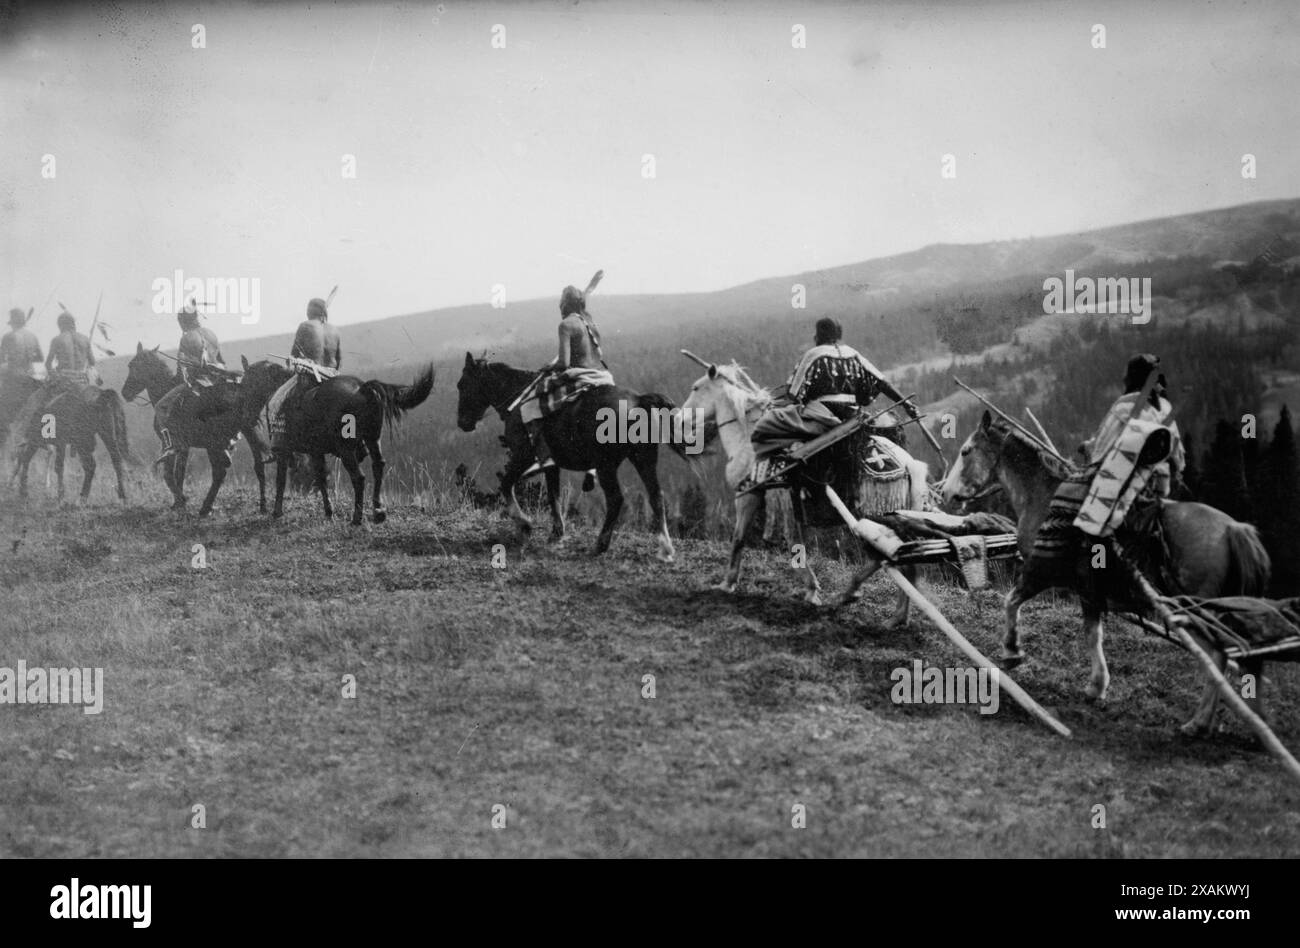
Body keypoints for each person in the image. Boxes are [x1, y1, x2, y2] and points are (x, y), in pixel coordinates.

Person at [750, 316, 919, 459]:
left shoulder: (813, 355)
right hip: (852, 417)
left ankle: (776, 464)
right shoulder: (854, 354)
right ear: (838, 334)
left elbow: (793, 394)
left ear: (819, 335)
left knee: (765, 424)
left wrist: (771, 403)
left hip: (821, 418)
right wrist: (906, 404)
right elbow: (882, 382)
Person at [518, 284, 614, 477]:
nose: (559, 307)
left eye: (560, 302)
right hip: (603, 377)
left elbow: (563, 363)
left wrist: (548, 367)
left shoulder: (566, 325)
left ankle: (545, 459)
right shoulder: (589, 322)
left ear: (564, 304)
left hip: (580, 376)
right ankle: (593, 466)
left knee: (528, 406)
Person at [1081, 353, 1185, 498]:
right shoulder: (1165, 407)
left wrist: (1087, 446)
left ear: (1131, 377)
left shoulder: (1125, 405)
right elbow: (1177, 456)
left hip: (1126, 482)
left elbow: (1104, 446)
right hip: (1161, 483)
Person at [265, 297, 341, 451]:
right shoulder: (334, 329)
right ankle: (351, 437)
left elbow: (294, 355)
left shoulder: (304, 326)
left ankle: (278, 443)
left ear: (309, 312)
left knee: (274, 403)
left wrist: (294, 361)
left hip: (311, 375)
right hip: (333, 375)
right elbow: (338, 360)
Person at [154, 302, 226, 464]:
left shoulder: (186, 338)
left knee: (160, 407)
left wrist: (184, 380)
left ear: (184, 321)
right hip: (218, 381)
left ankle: (171, 445)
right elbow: (222, 361)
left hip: (198, 382)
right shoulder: (211, 334)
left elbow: (183, 370)